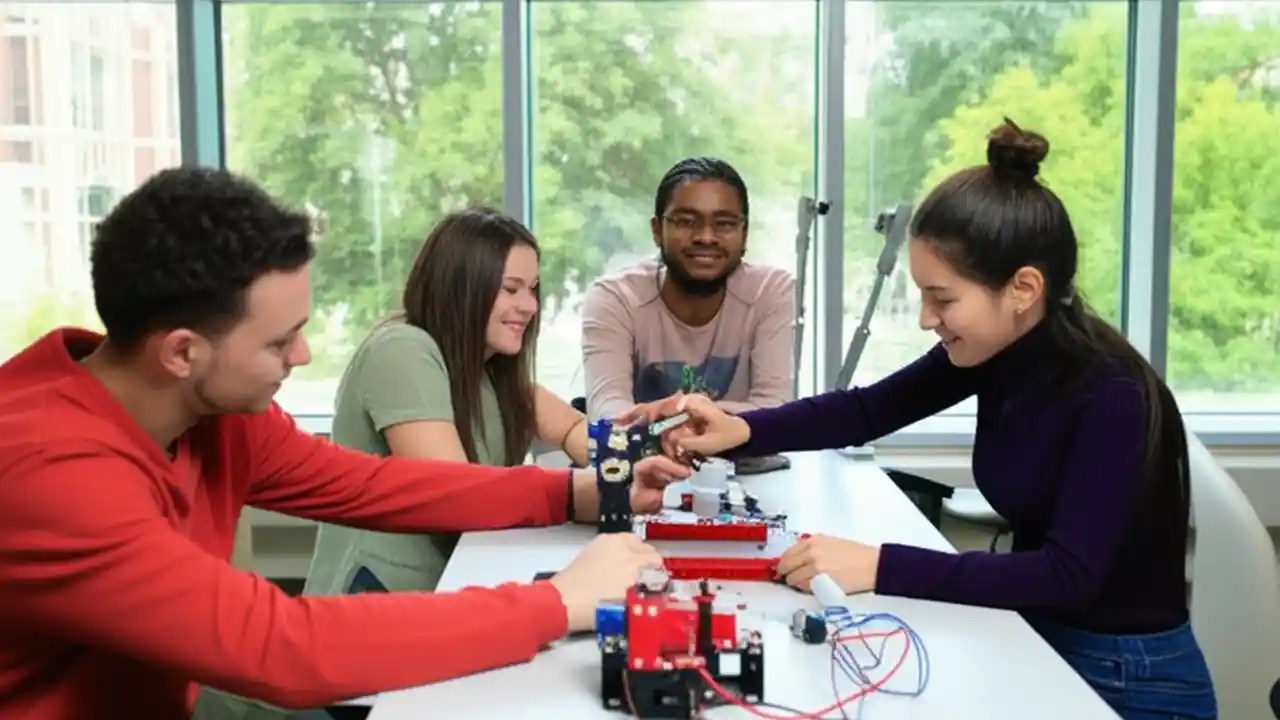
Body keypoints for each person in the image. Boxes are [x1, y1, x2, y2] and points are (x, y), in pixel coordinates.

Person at [0, 167, 688, 720]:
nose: (302, 354)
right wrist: (556, 602)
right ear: (181, 352)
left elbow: (370, 484)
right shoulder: (48, 471)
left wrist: (571, 493)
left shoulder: (219, 413)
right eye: (278, 340)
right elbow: (280, 647)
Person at [643, 121, 1218, 720]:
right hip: (1041, 640)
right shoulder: (1000, 349)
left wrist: (879, 564)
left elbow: (1069, 576)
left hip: (1124, 678)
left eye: (941, 299)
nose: (926, 318)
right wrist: (745, 431)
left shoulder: (1110, 394)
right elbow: (868, 409)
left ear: (1023, 288)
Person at [304, 207, 592, 599]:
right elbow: (455, 496)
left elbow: (574, 428)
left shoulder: (489, 373)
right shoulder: (403, 350)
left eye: (533, 288)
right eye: (511, 289)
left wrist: (622, 462)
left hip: (443, 592)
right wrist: (582, 494)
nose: (530, 306)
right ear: (463, 287)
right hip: (376, 602)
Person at [580, 156, 795, 421]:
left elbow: (777, 410)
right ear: (657, 230)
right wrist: (708, 419)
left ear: (745, 233)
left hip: (742, 460)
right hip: (645, 460)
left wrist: (674, 416)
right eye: (686, 221)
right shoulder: (615, 299)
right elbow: (608, 411)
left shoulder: (769, 291)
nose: (705, 237)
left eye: (725, 224)